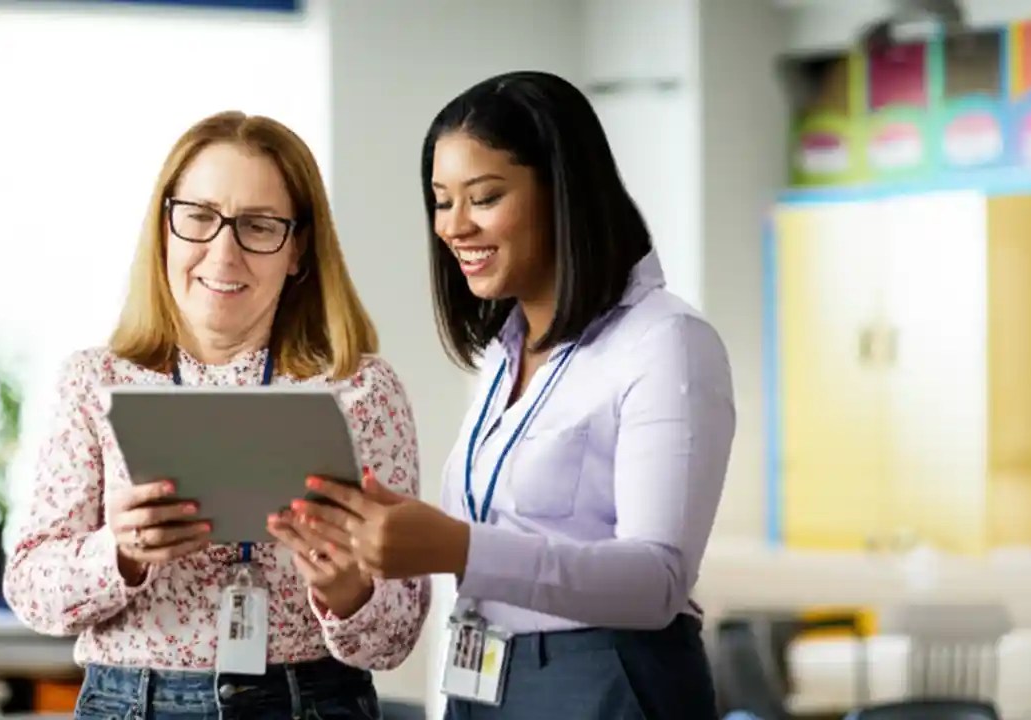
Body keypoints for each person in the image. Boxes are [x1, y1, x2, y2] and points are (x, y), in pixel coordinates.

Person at [291, 70, 736, 719]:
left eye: (484, 196)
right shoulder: (507, 354)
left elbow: (657, 582)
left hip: (603, 681)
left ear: (564, 194)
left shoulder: (666, 340)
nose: (453, 226)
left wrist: (457, 547)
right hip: (486, 681)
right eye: (441, 201)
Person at [4, 111, 430, 720]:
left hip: (310, 702)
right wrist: (119, 553)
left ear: (297, 249)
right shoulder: (95, 381)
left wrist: (347, 590)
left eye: (258, 226)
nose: (223, 252)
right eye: (199, 218)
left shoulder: (362, 390)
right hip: (132, 703)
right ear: (165, 229)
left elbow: (396, 637)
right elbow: (31, 593)